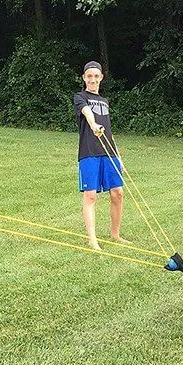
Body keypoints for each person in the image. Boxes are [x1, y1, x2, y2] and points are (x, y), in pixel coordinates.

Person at [72, 61, 128, 251]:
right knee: (91, 196)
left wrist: (119, 156)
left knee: (118, 193)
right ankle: (92, 239)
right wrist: (94, 125)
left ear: (101, 77)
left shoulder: (104, 101)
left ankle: (115, 234)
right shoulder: (80, 97)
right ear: (84, 78)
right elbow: (87, 113)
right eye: (89, 76)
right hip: (89, 152)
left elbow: (110, 132)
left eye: (96, 76)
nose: (93, 79)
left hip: (109, 153)